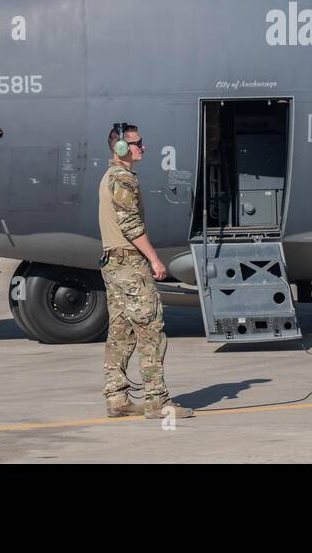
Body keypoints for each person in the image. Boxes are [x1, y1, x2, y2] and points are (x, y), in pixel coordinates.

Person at [99, 122, 194, 420]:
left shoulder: (109, 176)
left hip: (114, 265)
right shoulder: (124, 179)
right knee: (150, 330)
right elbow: (130, 225)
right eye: (138, 143)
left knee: (121, 332)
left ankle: (117, 398)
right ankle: (156, 401)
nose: (144, 147)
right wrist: (154, 259)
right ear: (122, 148)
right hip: (129, 266)